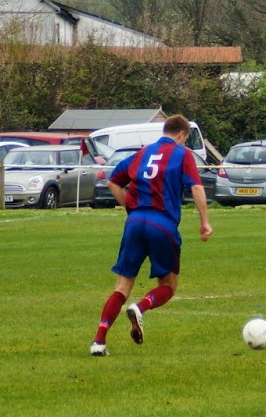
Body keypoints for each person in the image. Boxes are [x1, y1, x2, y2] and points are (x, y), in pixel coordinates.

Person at [88, 115, 212, 356]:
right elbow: (196, 187)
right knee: (168, 285)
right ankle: (140, 307)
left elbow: (113, 181)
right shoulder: (182, 154)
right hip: (162, 224)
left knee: (122, 286)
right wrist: (204, 222)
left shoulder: (142, 152)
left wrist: (130, 207)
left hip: (134, 223)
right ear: (182, 135)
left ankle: (99, 342)